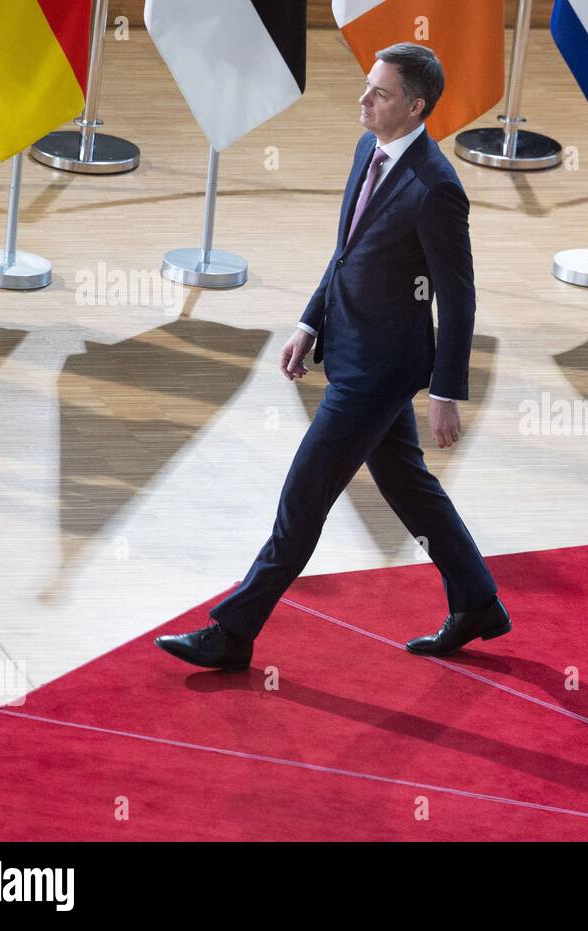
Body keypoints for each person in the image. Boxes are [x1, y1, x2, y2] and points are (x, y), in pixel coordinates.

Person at [155, 43, 509, 671]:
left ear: (415, 106)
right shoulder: (366, 150)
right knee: (410, 488)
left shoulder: (436, 189)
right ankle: (477, 599)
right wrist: (309, 322)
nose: (363, 98)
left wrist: (447, 392)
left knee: (303, 498)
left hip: (379, 373)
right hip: (349, 351)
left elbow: (458, 297)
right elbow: (346, 253)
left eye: (379, 92)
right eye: (367, 86)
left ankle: (232, 632)